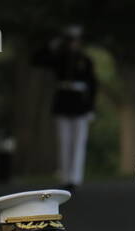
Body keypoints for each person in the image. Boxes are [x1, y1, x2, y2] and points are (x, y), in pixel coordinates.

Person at [31, 25, 97, 190]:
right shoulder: (59, 58)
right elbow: (36, 60)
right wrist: (53, 44)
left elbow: (93, 85)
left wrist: (90, 107)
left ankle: (74, 178)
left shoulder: (85, 60)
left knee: (78, 142)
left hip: (80, 103)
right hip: (63, 102)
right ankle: (65, 177)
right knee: (64, 142)